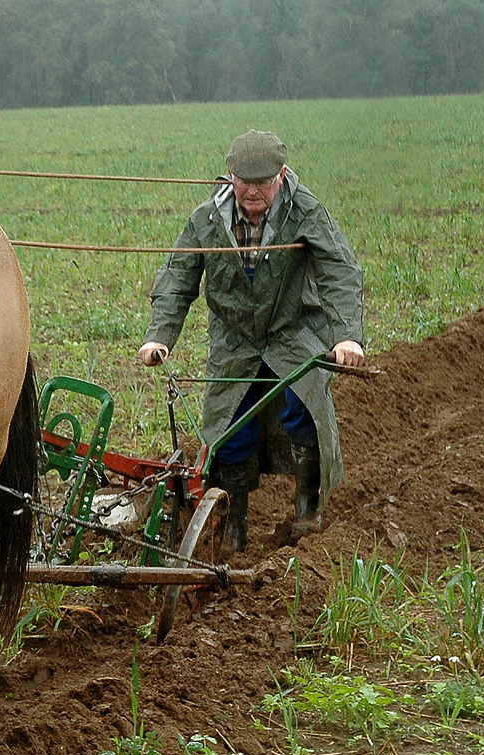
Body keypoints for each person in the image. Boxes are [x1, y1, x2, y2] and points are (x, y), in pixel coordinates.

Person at [137, 129, 365, 552]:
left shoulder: (306, 212)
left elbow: (340, 272)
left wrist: (347, 337)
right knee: (229, 423)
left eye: (263, 182)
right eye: (245, 182)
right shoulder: (207, 220)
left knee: (305, 406)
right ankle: (234, 524)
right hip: (235, 338)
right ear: (231, 177)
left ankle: (307, 509)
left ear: (282, 176)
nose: (253, 191)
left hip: (293, 329)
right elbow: (177, 279)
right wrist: (159, 337)